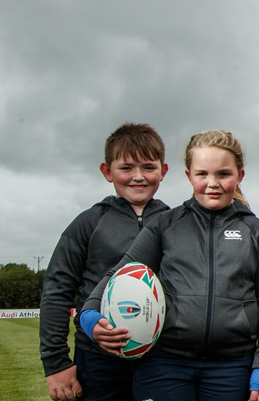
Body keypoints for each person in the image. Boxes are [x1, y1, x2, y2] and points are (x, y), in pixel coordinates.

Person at [80, 130, 259, 401]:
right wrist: (90, 314)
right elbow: (122, 270)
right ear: (189, 176)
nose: (213, 183)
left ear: (240, 176)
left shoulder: (257, 232)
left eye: (223, 174)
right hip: (165, 365)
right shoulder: (165, 225)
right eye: (202, 174)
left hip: (232, 367)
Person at [40, 123, 171, 401]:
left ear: (164, 170)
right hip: (98, 360)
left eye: (148, 167)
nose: (138, 177)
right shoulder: (88, 223)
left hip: (164, 360)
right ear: (107, 171)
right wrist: (56, 363)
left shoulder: (176, 222)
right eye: (126, 168)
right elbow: (57, 292)